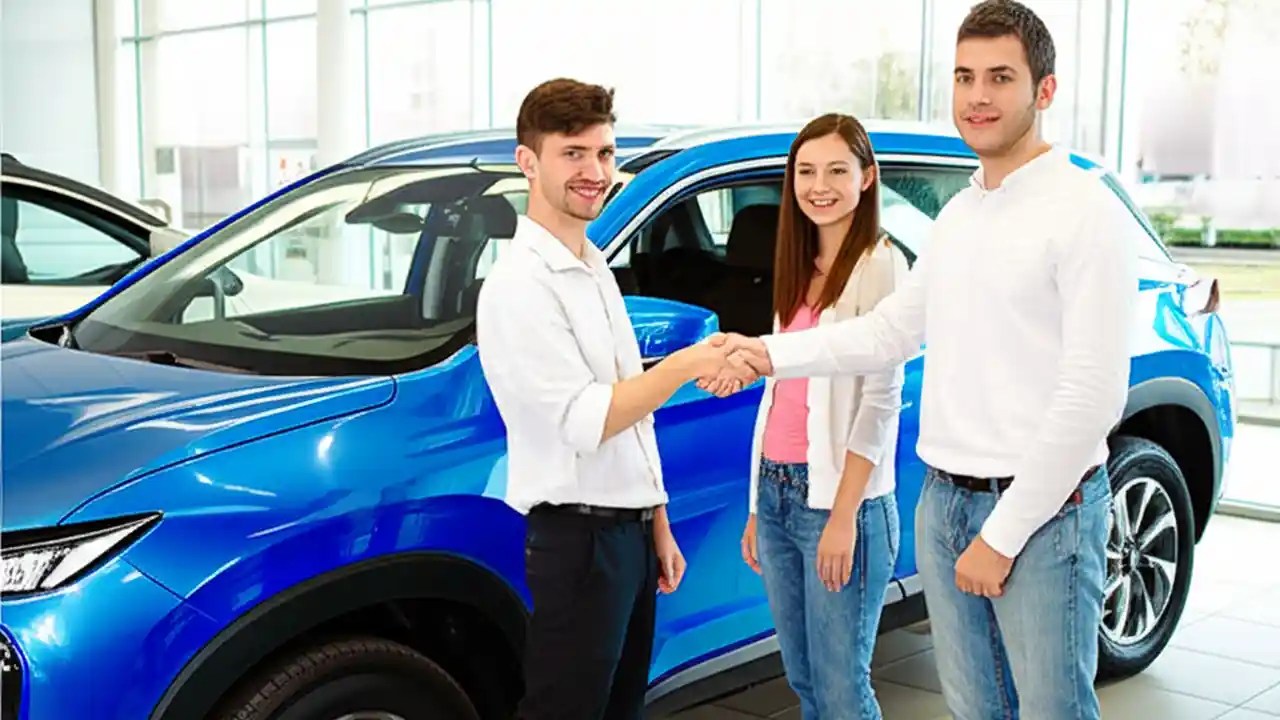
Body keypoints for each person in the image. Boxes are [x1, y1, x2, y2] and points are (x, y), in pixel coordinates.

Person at [703, 2, 1139, 718]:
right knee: (976, 710)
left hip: (1041, 511)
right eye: (966, 77)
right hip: (944, 502)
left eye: (1001, 77)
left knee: (1052, 710)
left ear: (1046, 91)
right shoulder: (964, 215)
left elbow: (1091, 398)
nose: (978, 96)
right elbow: (884, 334)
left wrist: (1000, 537)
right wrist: (765, 354)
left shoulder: (1083, 211)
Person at [475, 78, 733, 720]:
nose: (595, 172)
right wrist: (684, 366)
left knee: (619, 709)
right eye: (574, 154)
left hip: (627, 534)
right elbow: (585, 419)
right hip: (579, 540)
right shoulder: (520, 286)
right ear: (528, 161)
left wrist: (658, 522)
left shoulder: (591, 265)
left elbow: (630, 415)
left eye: (605, 154)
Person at [726, 113, 907, 720]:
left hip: (838, 502)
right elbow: (780, 393)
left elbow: (881, 401)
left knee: (841, 690)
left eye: (836, 170)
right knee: (804, 683)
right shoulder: (796, 263)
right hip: (777, 490)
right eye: (805, 171)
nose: (818, 185)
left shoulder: (880, 265)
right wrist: (758, 505)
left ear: (867, 178)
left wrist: (845, 516)